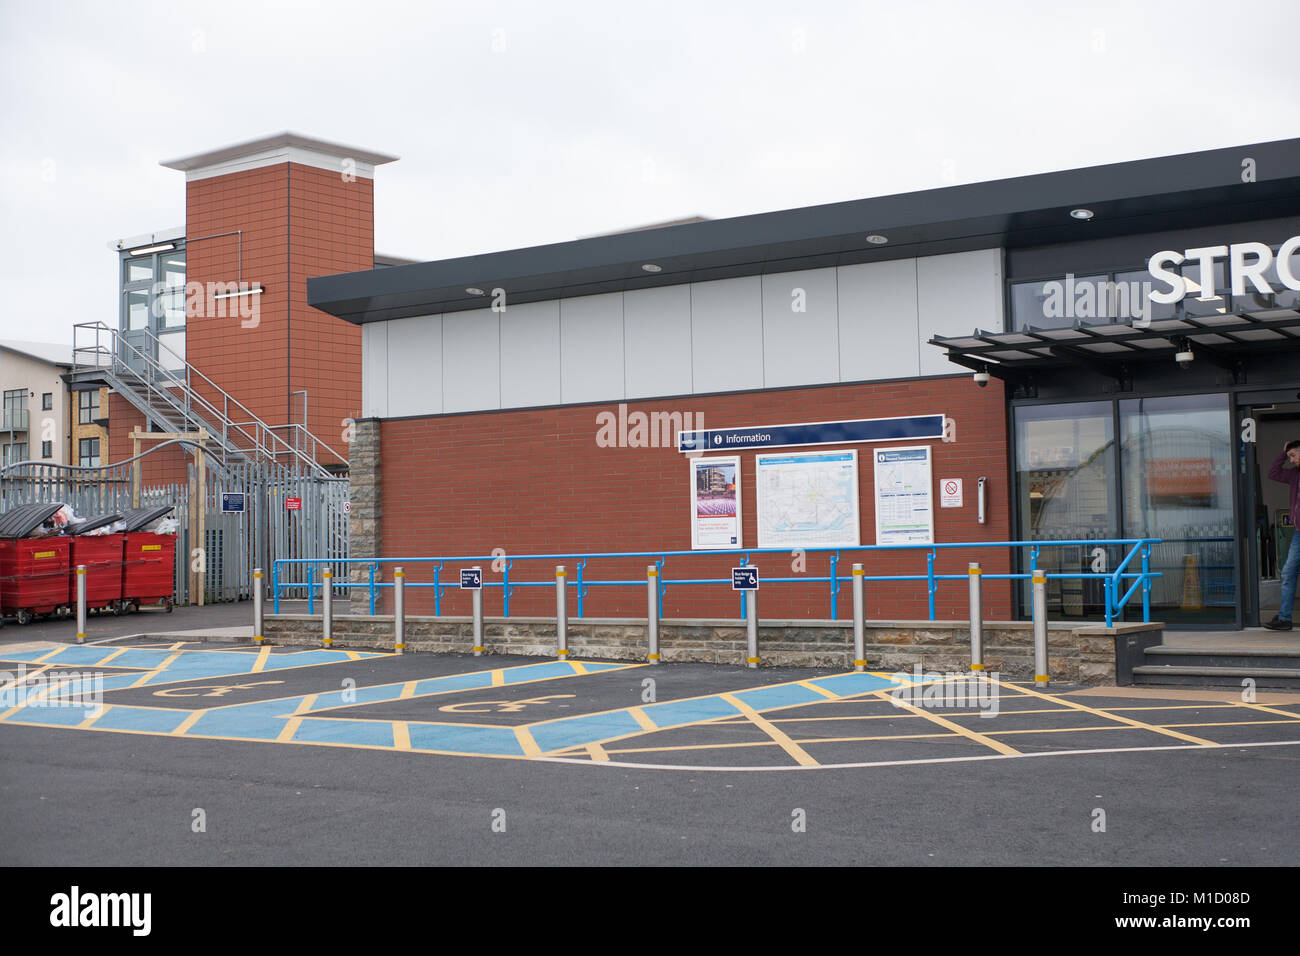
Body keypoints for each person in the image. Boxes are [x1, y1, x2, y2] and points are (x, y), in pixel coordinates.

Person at [1264, 439, 1300, 630]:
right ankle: (1285, 619)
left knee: (1288, 572)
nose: (1291, 460)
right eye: (1289, 457)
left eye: (1293, 455)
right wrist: (1282, 453)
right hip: (1299, 532)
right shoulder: (1294, 475)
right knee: (1287, 572)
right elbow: (1273, 473)